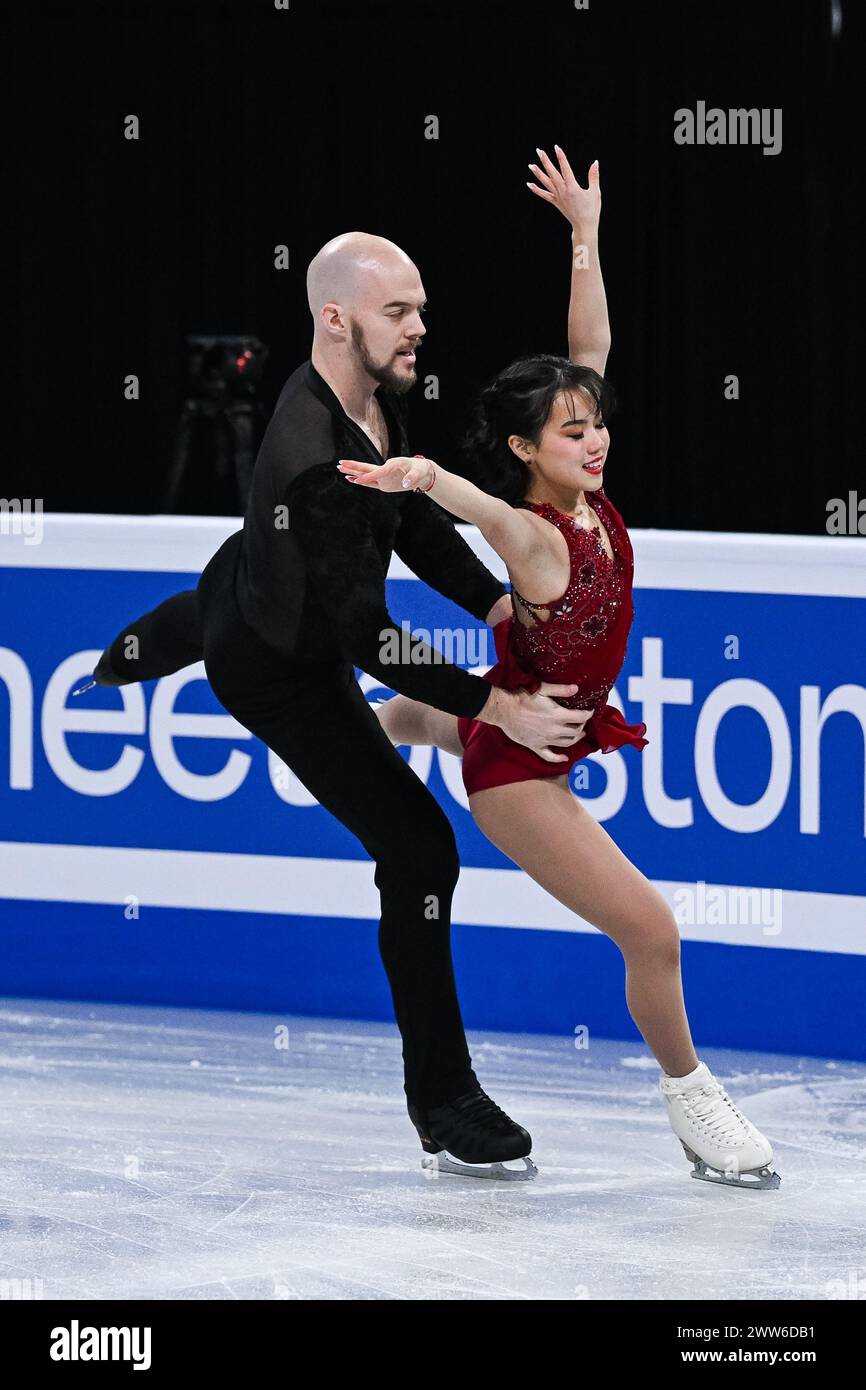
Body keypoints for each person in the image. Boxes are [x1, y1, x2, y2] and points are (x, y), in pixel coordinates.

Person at [78, 229, 596, 1181]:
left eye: (421, 310)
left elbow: (415, 526)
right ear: (335, 319)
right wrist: (496, 707)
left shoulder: (372, 408)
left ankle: (147, 644)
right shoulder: (313, 455)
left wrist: (493, 600)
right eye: (397, 313)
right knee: (419, 845)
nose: (418, 330)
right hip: (282, 668)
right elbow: (369, 638)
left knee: (209, 604)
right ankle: (445, 1102)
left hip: (252, 583)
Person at [337, 147, 780, 1191]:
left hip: (545, 722)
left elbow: (591, 346)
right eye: (573, 431)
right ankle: (692, 1103)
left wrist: (582, 231)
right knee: (653, 932)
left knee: (482, 715)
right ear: (528, 448)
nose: (596, 438)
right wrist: (421, 477)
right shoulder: (537, 533)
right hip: (518, 777)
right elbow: (484, 510)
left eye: (597, 424)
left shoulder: (580, 485)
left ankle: (405, 718)